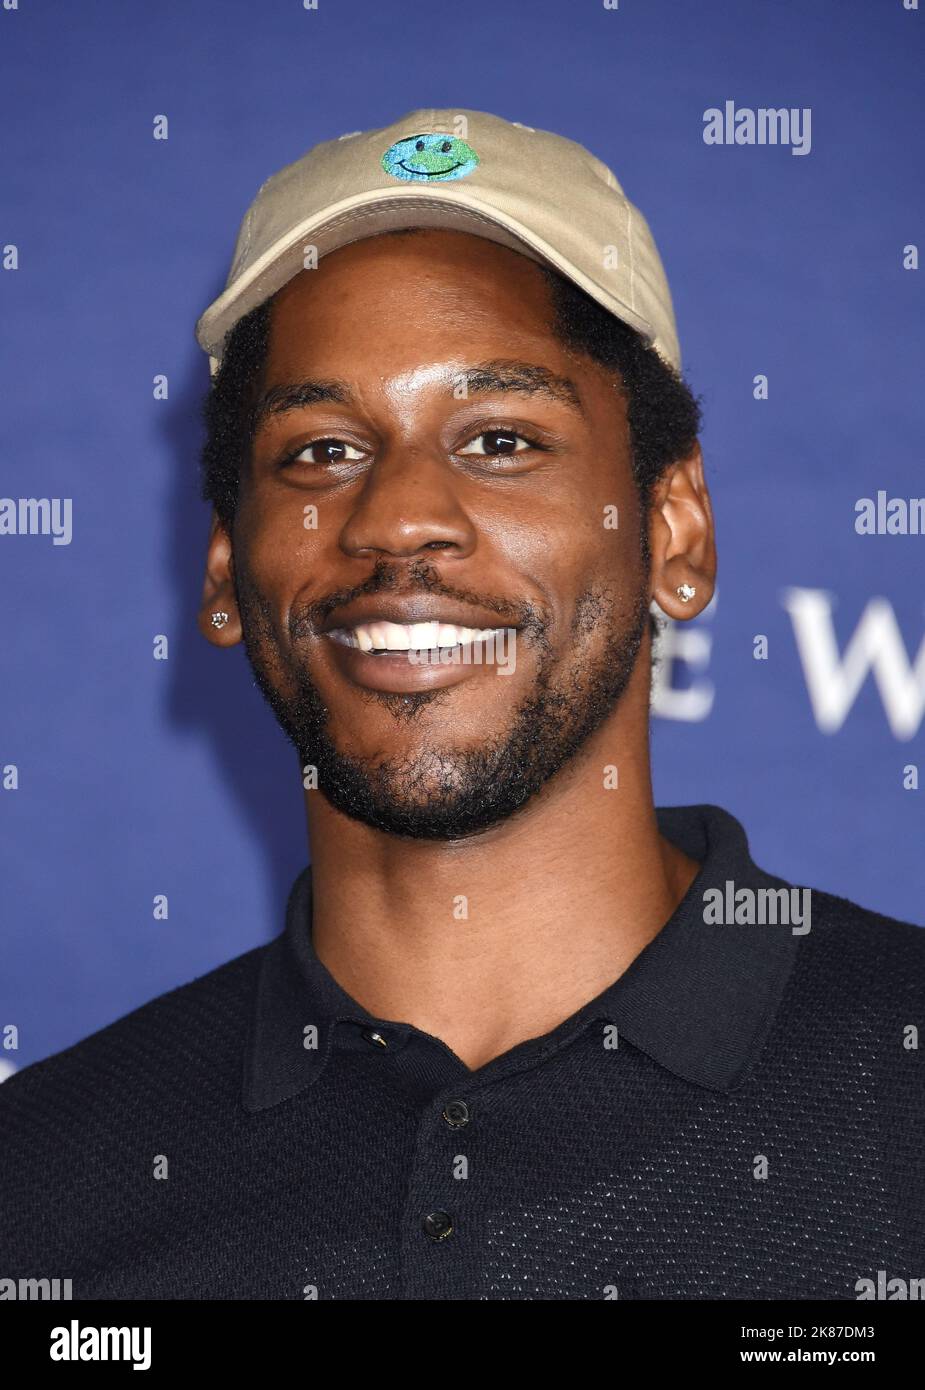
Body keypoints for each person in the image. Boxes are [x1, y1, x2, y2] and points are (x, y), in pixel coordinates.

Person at [2, 109, 922, 1302]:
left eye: (498, 437)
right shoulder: (40, 1189)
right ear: (227, 570)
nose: (396, 518)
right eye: (322, 451)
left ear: (673, 531)